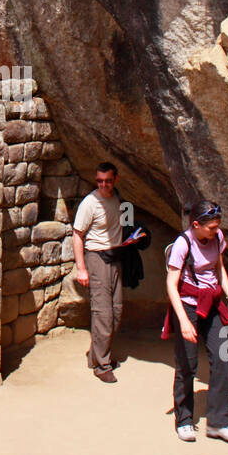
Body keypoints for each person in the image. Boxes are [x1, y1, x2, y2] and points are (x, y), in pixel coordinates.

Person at [165, 199, 228, 443]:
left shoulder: (217, 238)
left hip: (213, 303)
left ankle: (219, 423)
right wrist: (183, 321)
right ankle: (185, 419)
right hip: (188, 304)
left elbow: (219, 268)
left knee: (222, 359)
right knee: (187, 364)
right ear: (196, 225)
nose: (216, 230)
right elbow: (171, 284)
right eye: (211, 227)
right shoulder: (182, 244)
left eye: (218, 226)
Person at [73, 162, 146, 384]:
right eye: (99, 181)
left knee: (116, 311)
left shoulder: (117, 198)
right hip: (96, 259)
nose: (104, 185)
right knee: (102, 313)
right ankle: (102, 365)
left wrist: (135, 237)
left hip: (116, 258)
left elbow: (124, 224)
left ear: (116, 179)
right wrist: (81, 268)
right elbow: (77, 235)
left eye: (108, 180)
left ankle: (96, 356)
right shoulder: (90, 203)